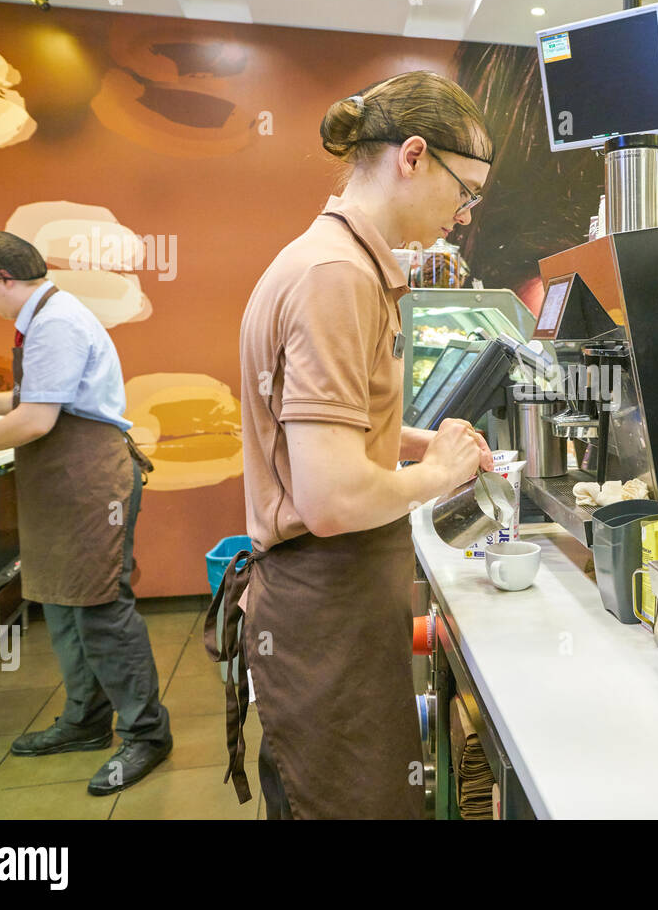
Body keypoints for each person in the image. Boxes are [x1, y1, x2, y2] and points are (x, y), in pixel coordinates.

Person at [212, 71, 495, 819]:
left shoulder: (344, 259)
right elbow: (331, 497)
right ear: (412, 156)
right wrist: (435, 474)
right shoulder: (337, 276)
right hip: (321, 611)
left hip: (333, 605)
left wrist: (413, 437)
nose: (464, 216)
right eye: (464, 190)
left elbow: (322, 423)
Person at [0, 232, 171, 795]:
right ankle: (85, 720)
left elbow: (37, 420)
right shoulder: (42, 319)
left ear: (5, 280)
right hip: (63, 481)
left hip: (88, 480)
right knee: (63, 606)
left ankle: (147, 733)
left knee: (101, 607)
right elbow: (37, 397)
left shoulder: (55, 322)